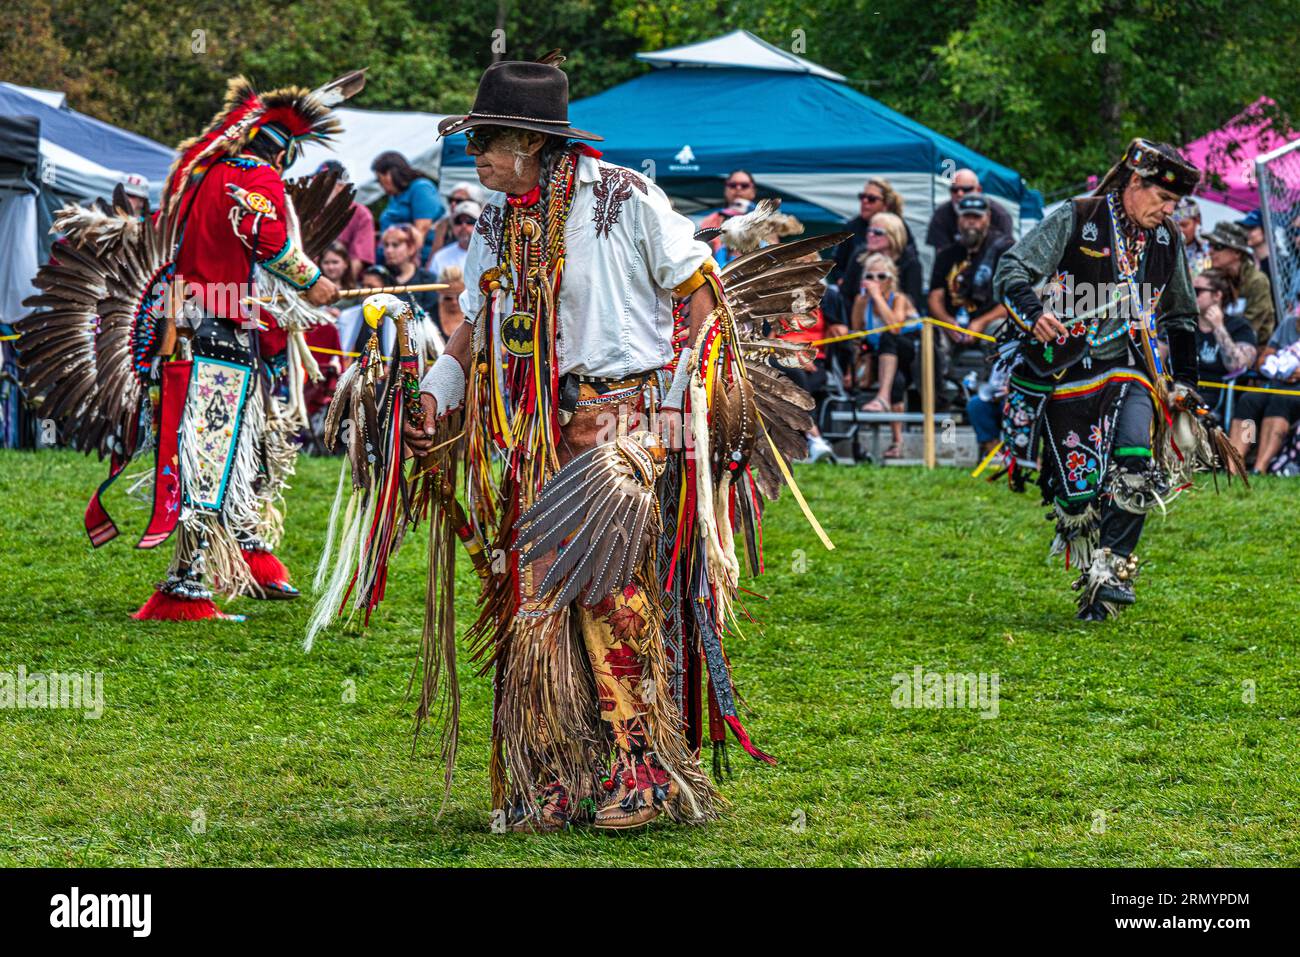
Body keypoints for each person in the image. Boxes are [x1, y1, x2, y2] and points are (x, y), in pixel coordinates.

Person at [386, 55, 827, 832]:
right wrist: (434, 393)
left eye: (485, 139)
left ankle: (645, 770)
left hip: (622, 421)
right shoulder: (496, 221)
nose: (475, 155)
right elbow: (474, 330)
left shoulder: (624, 198)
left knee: (612, 599)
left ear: (529, 141)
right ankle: (553, 776)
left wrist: (681, 400)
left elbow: (702, 295)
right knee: (531, 600)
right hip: (534, 430)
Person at [18, 71, 358, 621]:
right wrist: (311, 280)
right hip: (218, 339)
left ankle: (244, 558)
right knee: (210, 462)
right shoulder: (255, 180)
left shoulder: (208, 176)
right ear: (282, 152)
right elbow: (267, 238)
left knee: (232, 455)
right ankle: (185, 587)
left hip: (199, 333)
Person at [994, 138, 1235, 621]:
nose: (1168, 210)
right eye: (1162, 199)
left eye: (1175, 203)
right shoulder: (1079, 217)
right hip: (1068, 366)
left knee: (1134, 463)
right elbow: (1012, 268)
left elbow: (1182, 314)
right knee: (1077, 494)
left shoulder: (1168, 239)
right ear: (1133, 183)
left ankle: (1108, 579)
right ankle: (1091, 566)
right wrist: (1035, 313)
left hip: (1130, 367)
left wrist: (1185, 381)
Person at [854, 252, 921, 458]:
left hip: (908, 354)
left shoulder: (899, 299)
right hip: (881, 359)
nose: (875, 281)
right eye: (870, 276)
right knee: (897, 382)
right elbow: (856, 334)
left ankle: (881, 397)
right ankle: (897, 443)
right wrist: (857, 366)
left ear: (890, 279)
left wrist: (876, 296)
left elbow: (894, 326)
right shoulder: (861, 302)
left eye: (881, 276)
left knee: (887, 337)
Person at [928, 194, 1011, 349]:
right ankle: (934, 374)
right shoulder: (947, 254)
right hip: (953, 324)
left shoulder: (1004, 250)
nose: (971, 221)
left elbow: (1012, 299)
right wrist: (947, 323)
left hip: (989, 323)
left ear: (988, 218)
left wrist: (981, 322)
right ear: (958, 219)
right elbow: (934, 296)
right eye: (966, 216)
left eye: (977, 217)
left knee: (1002, 330)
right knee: (930, 336)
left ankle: (996, 374)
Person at [1229, 310, 1300, 474]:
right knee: (1249, 399)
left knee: (1281, 401)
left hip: (1294, 392)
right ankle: (1235, 464)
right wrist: (1273, 367)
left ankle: (1260, 467)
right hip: (1278, 383)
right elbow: (1263, 359)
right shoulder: (1288, 324)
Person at [1205, 221, 1274, 344]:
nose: (1210, 251)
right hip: (1219, 345)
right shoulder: (1213, 280)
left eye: (1218, 247)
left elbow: (1250, 328)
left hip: (1253, 349)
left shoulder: (1257, 282)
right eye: (1210, 245)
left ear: (1237, 253)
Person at [372, 151, 445, 264]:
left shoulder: (421, 188)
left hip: (417, 261)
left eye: (379, 179)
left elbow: (421, 230)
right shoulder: (395, 197)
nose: (380, 184)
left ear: (390, 174)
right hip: (392, 259)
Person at [924, 168, 1014, 251]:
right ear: (959, 219)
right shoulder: (942, 214)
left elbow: (1006, 252)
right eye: (954, 190)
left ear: (988, 217)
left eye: (966, 189)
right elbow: (941, 255)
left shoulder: (1000, 214)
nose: (960, 194)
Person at [316, 160, 375, 279]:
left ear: (341, 186)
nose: (316, 188)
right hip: (312, 283)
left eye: (323, 183)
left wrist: (341, 287)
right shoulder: (310, 212)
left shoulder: (360, 214)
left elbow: (359, 259)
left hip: (348, 286)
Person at [427, 200, 479, 277]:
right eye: (458, 221)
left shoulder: (491, 255)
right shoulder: (440, 257)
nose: (463, 226)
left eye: (470, 221)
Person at [1173, 196, 1211, 275]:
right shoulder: (1161, 244)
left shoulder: (1209, 250)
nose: (1179, 231)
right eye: (1174, 226)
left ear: (1197, 222)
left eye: (1184, 225)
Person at [1239, 208, 1270, 280]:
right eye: (1245, 228)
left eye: (1251, 228)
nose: (1246, 232)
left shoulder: (1276, 265)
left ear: (1266, 230)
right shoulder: (1246, 261)